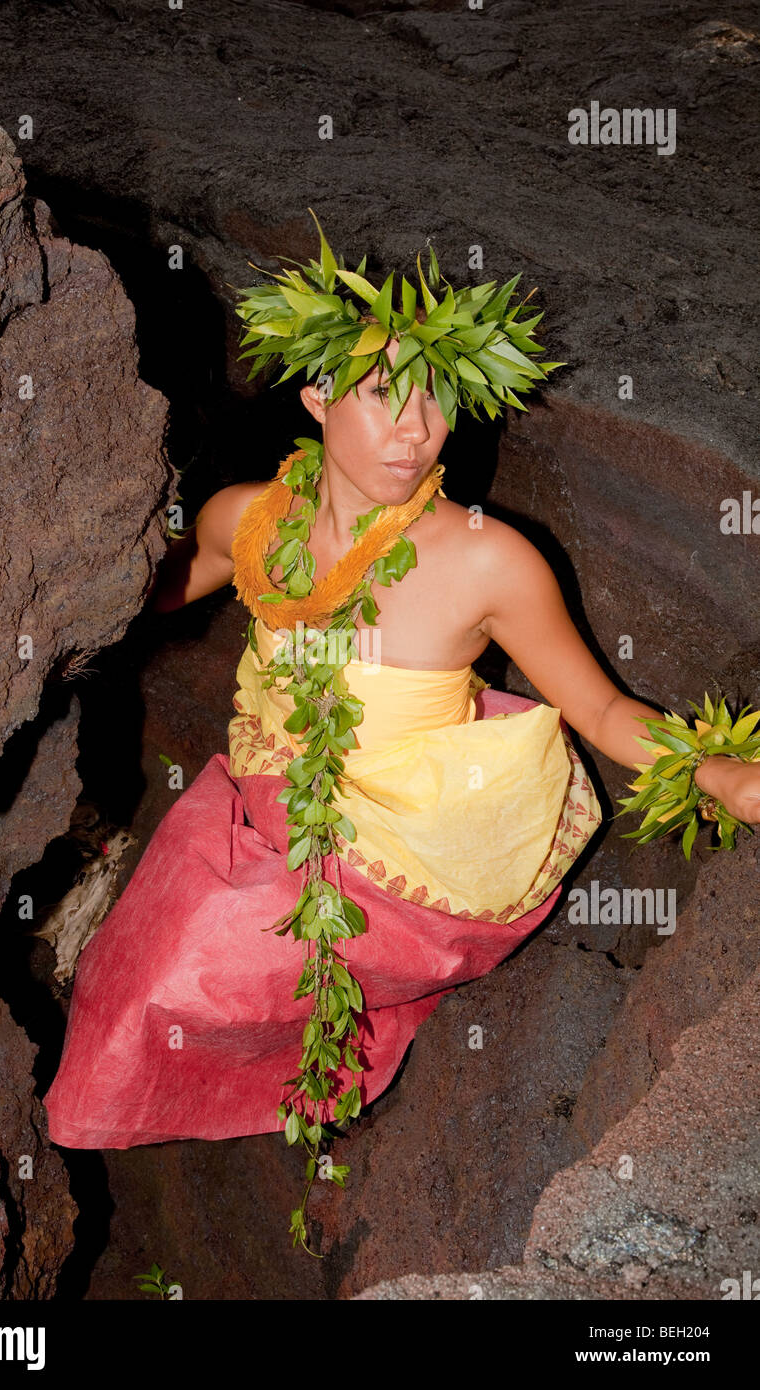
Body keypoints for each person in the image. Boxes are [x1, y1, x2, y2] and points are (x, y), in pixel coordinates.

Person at [42, 221, 759, 1251]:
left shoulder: (486, 562)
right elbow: (153, 593)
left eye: (434, 398)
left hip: (405, 844)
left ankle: (355, 1044)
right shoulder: (247, 520)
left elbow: (600, 711)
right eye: (382, 392)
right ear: (316, 397)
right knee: (125, 974)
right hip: (261, 794)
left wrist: (718, 774)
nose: (414, 428)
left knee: (191, 971)